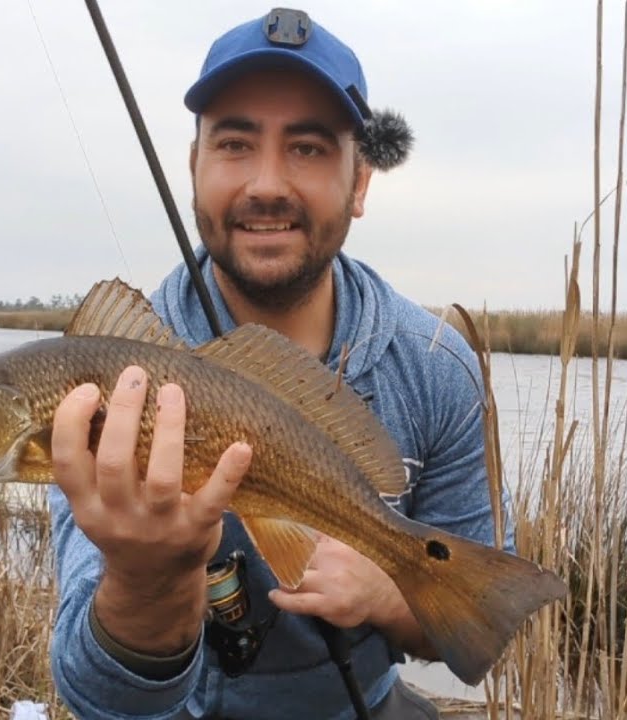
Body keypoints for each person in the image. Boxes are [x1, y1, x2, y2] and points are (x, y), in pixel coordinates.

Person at [46, 8, 514, 719]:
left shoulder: (435, 366)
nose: (267, 183)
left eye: (309, 148)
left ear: (360, 183)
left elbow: (472, 629)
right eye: (234, 143)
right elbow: (100, 699)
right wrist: (149, 580)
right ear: (194, 168)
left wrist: (387, 593)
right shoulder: (110, 377)